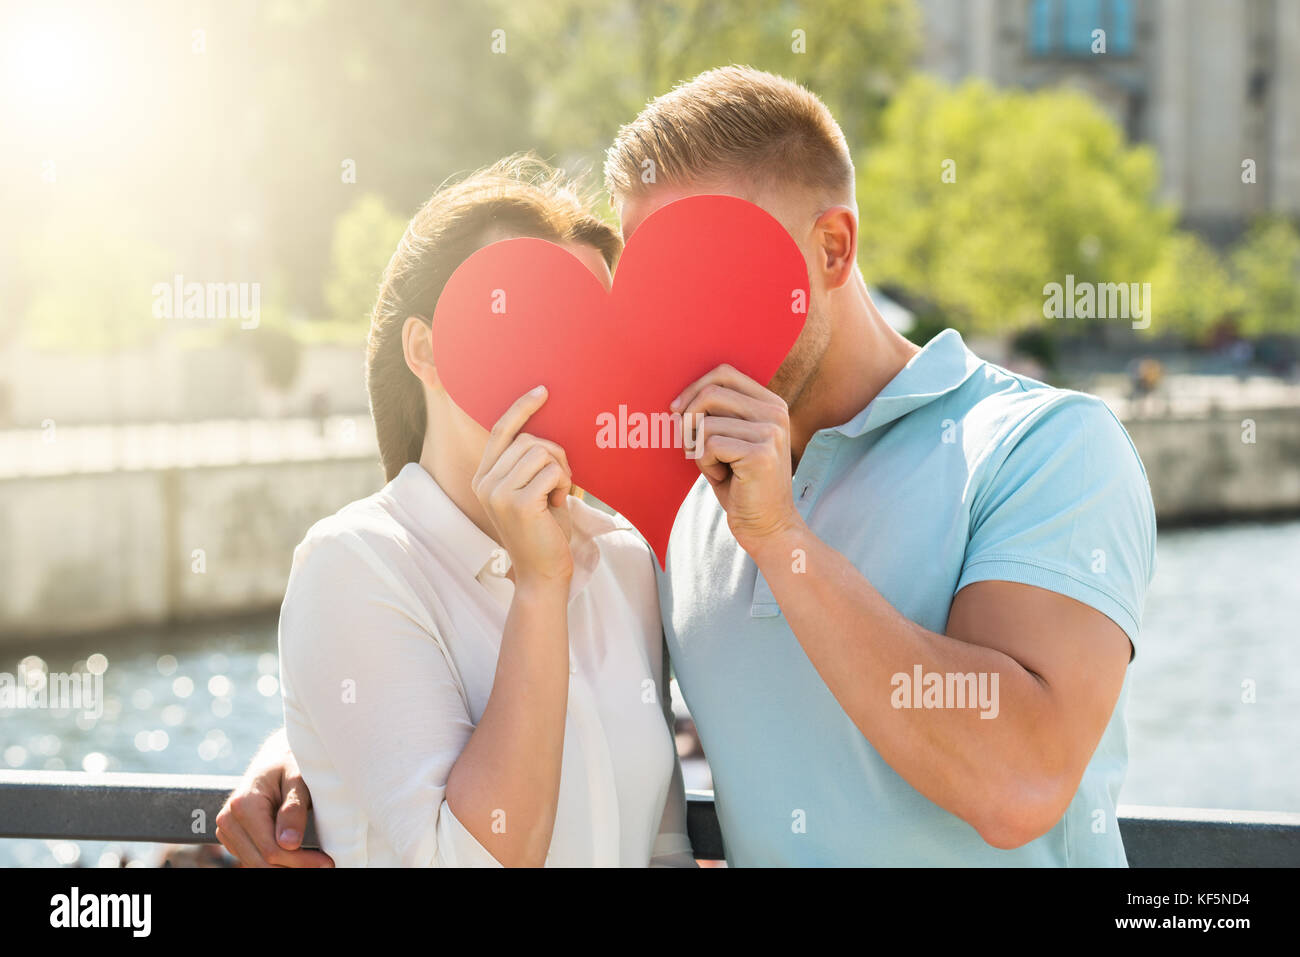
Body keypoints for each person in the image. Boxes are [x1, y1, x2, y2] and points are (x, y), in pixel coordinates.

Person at [220, 67, 1156, 867]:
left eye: (713, 258)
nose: (681, 304)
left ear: (833, 247)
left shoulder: (1046, 446)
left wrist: (782, 539)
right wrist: (312, 754)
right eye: (655, 271)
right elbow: (476, 666)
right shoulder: (685, 504)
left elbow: (1020, 780)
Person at [215, 157, 694, 867]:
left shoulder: (622, 558)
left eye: (592, 330)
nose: (564, 359)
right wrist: (537, 585)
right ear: (425, 347)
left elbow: (663, 845)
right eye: (526, 314)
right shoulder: (353, 565)